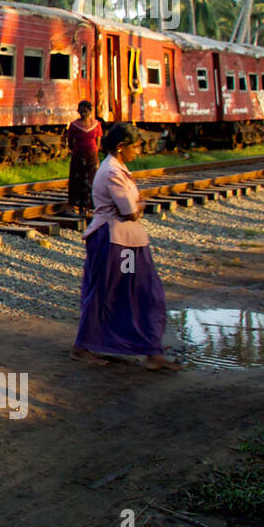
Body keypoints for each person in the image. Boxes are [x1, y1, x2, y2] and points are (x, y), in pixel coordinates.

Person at [72, 123, 183, 371]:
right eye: (136, 147)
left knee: (133, 292)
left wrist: (136, 206)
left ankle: (147, 349)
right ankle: (83, 347)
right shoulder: (111, 172)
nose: (138, 152)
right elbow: (130, 212)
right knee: (111, 292)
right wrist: (139, 206)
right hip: (115, 244)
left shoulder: (117, 168)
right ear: (121, 147)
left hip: (126, 244)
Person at [67, 101, 102, 217]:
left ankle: (90, 206)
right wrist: (77, 150)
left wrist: (95, 152)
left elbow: (98, 140)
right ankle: (77, 205)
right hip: (78, 156)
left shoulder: (97, 124)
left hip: (92, 156)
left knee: (92, 180)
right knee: (77, 180)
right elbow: (70, 142)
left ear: (90, 111)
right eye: (80, 111)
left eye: (85, 111)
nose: (82, 113)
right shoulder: (74, 125)